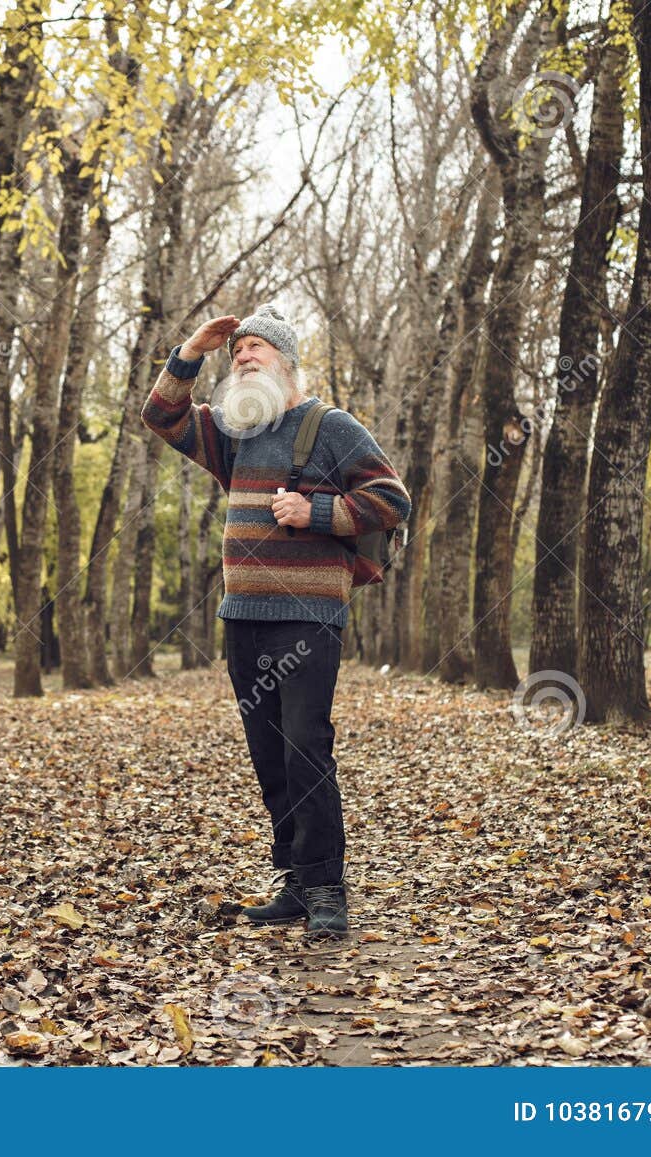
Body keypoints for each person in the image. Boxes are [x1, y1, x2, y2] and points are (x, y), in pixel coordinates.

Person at [139, 304, 411, 937]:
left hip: (308, 617)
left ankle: (327, 888)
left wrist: (317, 514)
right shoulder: (235, 431)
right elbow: (161, 416)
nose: (242, 357)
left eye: (255, 348)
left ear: (285, 362)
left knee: (304, 748)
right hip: (242, 617)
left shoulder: (330, 426)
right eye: (237, 352)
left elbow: (391, 500)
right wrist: (192, 349)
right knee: (269, 755)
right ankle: (294, 882)